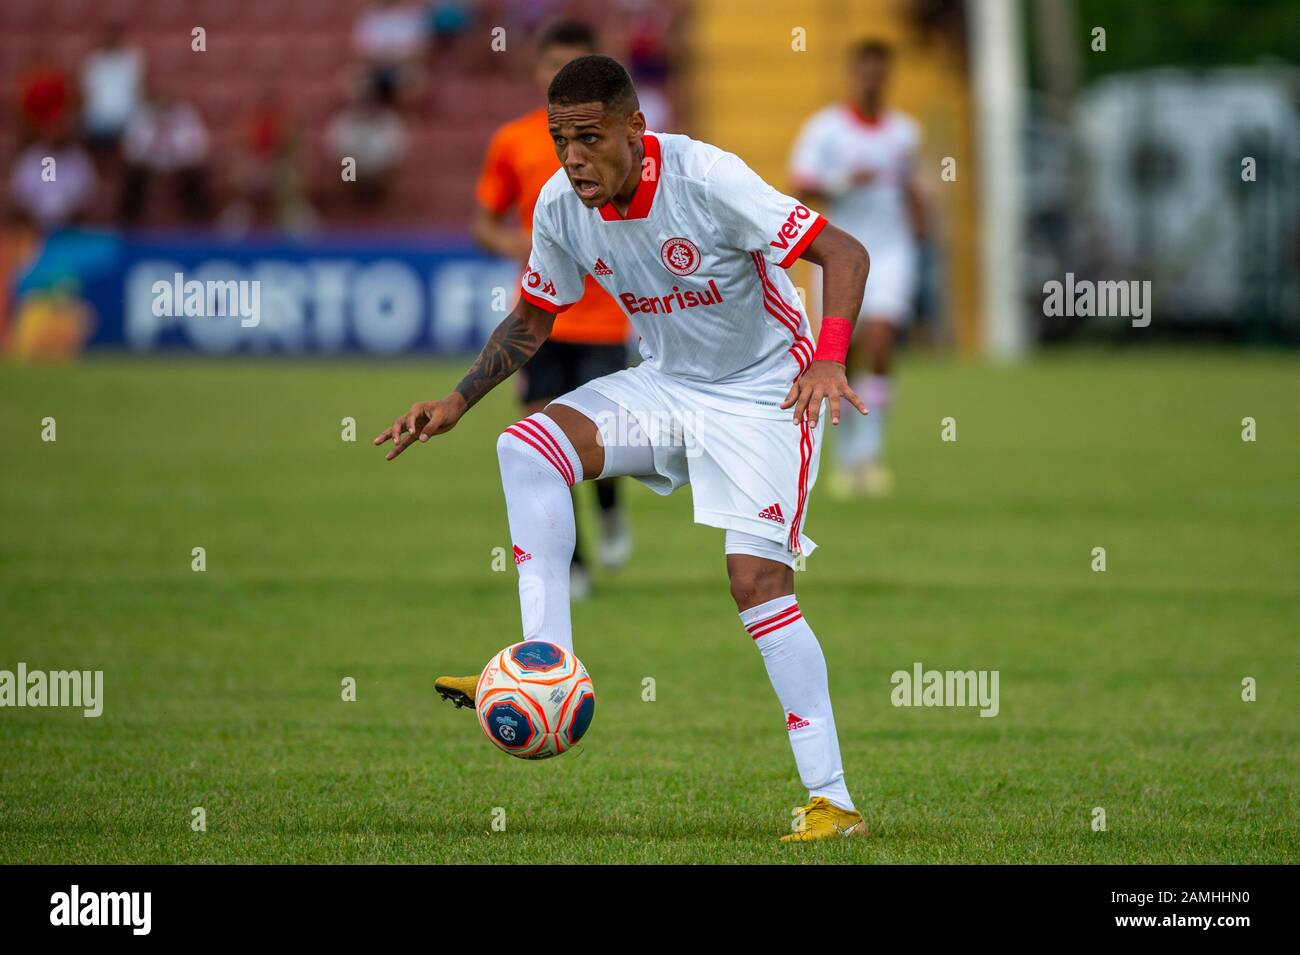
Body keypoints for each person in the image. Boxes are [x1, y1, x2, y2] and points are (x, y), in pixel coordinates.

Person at [375, 55, 871, 842]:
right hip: (669, 387)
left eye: (590, 138)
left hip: (766, 395)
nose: (573, 157)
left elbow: (844, 253)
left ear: (636, 128)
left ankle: (833, 800)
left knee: (756, 584)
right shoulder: (559, 205)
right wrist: (457, 399)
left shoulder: (707, 179)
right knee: (528, 447)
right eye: (559, 138)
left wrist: (830, 356)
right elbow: (533, 321)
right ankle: (545, 666)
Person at [472, 20, 633, 593]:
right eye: (551, 65)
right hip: (543, 314)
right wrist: (514, 243)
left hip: (605, 314)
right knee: (545, 438)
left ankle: (611, 506)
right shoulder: (513, 142)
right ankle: (574, 562)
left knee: (600, 441)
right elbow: (484, 223)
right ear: (538, 72)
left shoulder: (613, 139)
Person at [789, 39, 925, 497]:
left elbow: (911, 186)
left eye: (879, 71)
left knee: (882, 342)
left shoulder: (904, 132)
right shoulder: (826, 129)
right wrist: (845, 181)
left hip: (892, 252)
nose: (872, 79)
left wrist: (923, 220)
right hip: (839, 256)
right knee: (840, 356)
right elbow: (799, 186)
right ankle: (846, 457)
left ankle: (870, 452)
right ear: (854, 73)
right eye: (864, 70)